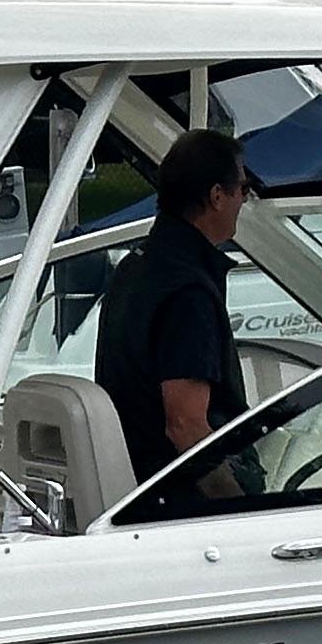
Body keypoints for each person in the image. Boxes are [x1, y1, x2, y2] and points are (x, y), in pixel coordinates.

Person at [93, 127, 255, 493]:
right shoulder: (188, 293)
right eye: (243, 189)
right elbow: (185, 425)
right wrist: (241, 508)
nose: (244, 199)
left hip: (135, 483)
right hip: (178, 502)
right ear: (217, 196)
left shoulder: (135, 267)